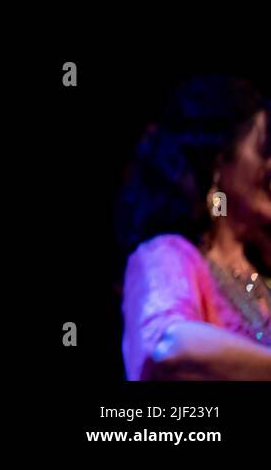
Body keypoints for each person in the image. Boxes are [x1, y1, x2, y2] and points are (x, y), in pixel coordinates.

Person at [116, 75, 271, 379]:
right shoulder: (169, 255)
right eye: (265, 151)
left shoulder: (260, 271)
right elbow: (169, 346)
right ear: (218, 161)